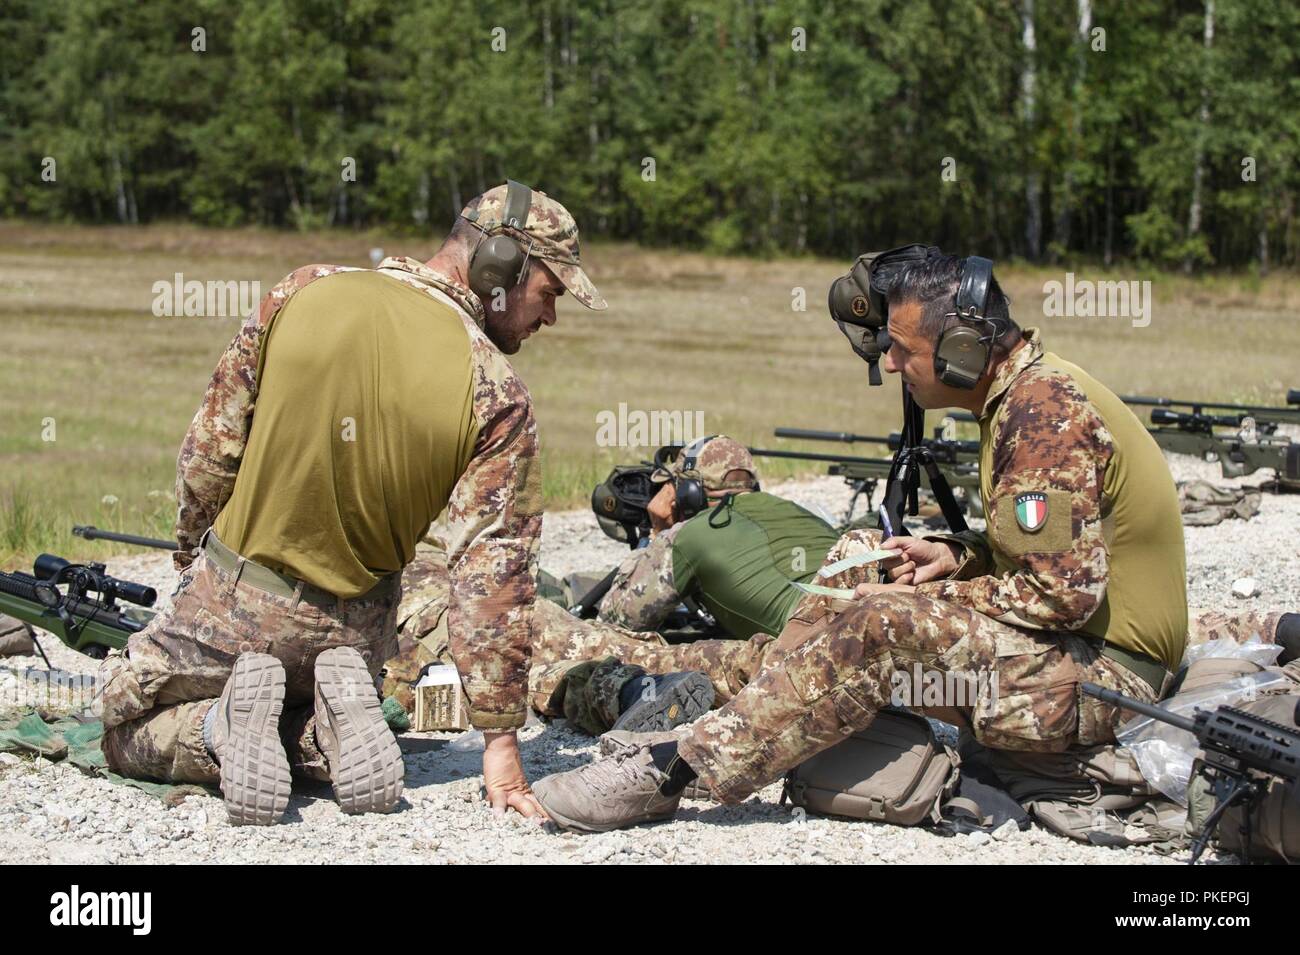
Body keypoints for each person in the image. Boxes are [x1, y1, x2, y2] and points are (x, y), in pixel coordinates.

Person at [529, 250, 1202, 832]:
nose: (889, 360)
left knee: (880, 619)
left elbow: (1061, 595)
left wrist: (941, 594)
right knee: (863, 554)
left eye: (902, 348)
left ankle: (675, 770)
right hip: (1074, 657)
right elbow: (1052, 552)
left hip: (1108, 684)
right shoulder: (1022, 395)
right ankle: (769, 706)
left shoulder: (1042, 411)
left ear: (963, 351)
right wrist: (957, 554)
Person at [99, 181, 605, 825]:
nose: (550, 317)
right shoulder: (500, 393)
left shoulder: (302, 290)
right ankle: (321, 734)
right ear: (501, 265)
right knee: (314, 707)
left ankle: (221, 731)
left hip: (231, 606)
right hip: (355, 640)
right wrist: (501, 745)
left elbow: (209, 455)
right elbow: (493, 578)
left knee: (119, 723)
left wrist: (190, 568)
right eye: (551, 292)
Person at [386, 436, 842, 736]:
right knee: (671, 655)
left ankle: (632, 690)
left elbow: (620, 619)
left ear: (689, 495)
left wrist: (660, 536)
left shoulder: (693, 533)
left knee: (597, 644)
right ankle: (680, 680)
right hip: (842, 630)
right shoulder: (800, 513)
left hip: (801, 647)